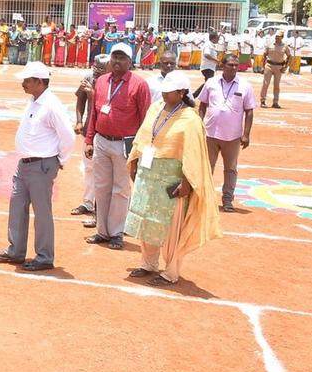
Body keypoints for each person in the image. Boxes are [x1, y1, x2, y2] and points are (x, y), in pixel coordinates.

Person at [126, 71, 221, 286]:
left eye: (169, 93)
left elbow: (193, 154)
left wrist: (187, 183)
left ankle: (171, 271)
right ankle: (148, 263)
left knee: (170, 228)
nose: (165, 95)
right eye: (164, 92)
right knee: (147, 221)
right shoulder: (155, 108)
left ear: (181, 93)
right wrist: (134, 160)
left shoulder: (190, 119)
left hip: (172, 180)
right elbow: (143, 135)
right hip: (148, 175)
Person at [0, 62, 76, 270]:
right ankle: (16, 250)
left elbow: (68, 137)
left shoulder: (51, 105)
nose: (23, 84)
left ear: (40, 82)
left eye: (27, 80)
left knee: (42, 212)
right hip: (25, 165)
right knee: (17, 206)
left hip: (41, 166)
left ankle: (44, 257)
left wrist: (60, 160)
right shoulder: (34, 100)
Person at [84, 43, 151, 251]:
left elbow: (145, 119)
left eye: (122, 58)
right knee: (101, 186)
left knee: (121, 189)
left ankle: (116, 232)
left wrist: (141, 149)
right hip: (101, 141)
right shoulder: (102, 81)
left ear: (130, 62)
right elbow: (94, 112)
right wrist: (89, 139)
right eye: (115, 57)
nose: (117, 61)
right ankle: (102, 231)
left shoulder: (139, 85)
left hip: (125, 143)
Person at [198, 54, 255, 213]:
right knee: (207, 168)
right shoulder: (211, 82)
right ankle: (205, 199)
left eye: (236, 65)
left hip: (233, 136)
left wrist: (246, 134)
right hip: (210, 134)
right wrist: (199, 124)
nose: (234, 68)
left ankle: (228, 200)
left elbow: (249, 111)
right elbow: (202, 105)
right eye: (230, 65)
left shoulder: (245, 86)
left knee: (230, 169)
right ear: (222, 65)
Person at [73, 54, 109, 227]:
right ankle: (88, 202)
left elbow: (104, 105)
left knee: (103, 172)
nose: (96, 72)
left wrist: (93, 94)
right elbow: (80, 101)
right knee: (88, 168)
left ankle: (100, 209)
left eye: (100, 69)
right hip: (89, 130)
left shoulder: (112, 83)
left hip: (105, 131)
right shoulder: (88, 78)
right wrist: (79, 121)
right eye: (95, 68)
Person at [260, 32, 291, 109]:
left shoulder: (285, 46)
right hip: (269, 66)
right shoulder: (270, 44)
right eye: (276, 36)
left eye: (278, 37)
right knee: (265, 84)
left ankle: (275, 102)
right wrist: (262, 66)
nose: (276, 38)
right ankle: (263, 101)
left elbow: (289, 56)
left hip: (279, 67)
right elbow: (264, 55)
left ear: (282, 37)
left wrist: (285, 67)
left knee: (276, 86)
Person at [194, 31, 220, 97]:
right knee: (208, 83)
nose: (218, 40)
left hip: (210, 67)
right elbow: (206, 55)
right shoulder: (208, 45)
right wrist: (216, 60)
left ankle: (205, 97)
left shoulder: (212, 45)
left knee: (208, 83)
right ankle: (193, 96)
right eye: (217, 38)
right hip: (207, 67)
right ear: (213, 38)